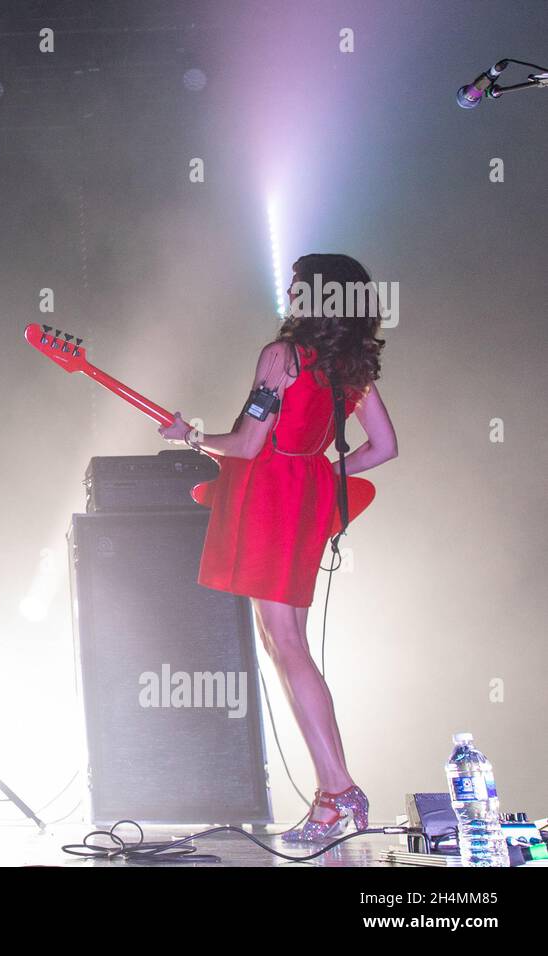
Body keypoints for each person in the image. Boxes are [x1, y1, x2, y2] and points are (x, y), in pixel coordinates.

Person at [157, 253, 398, 844]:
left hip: (268, 501)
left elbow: (245, 444)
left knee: (285, 643)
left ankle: (339, 794)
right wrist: (318, 471)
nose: (287, 291)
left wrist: (190, 436)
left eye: (296, 284)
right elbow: (383, 448)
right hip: (301, 496)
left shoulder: (282, 356)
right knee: (284, 641)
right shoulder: (349, 366)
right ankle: (335, 793)